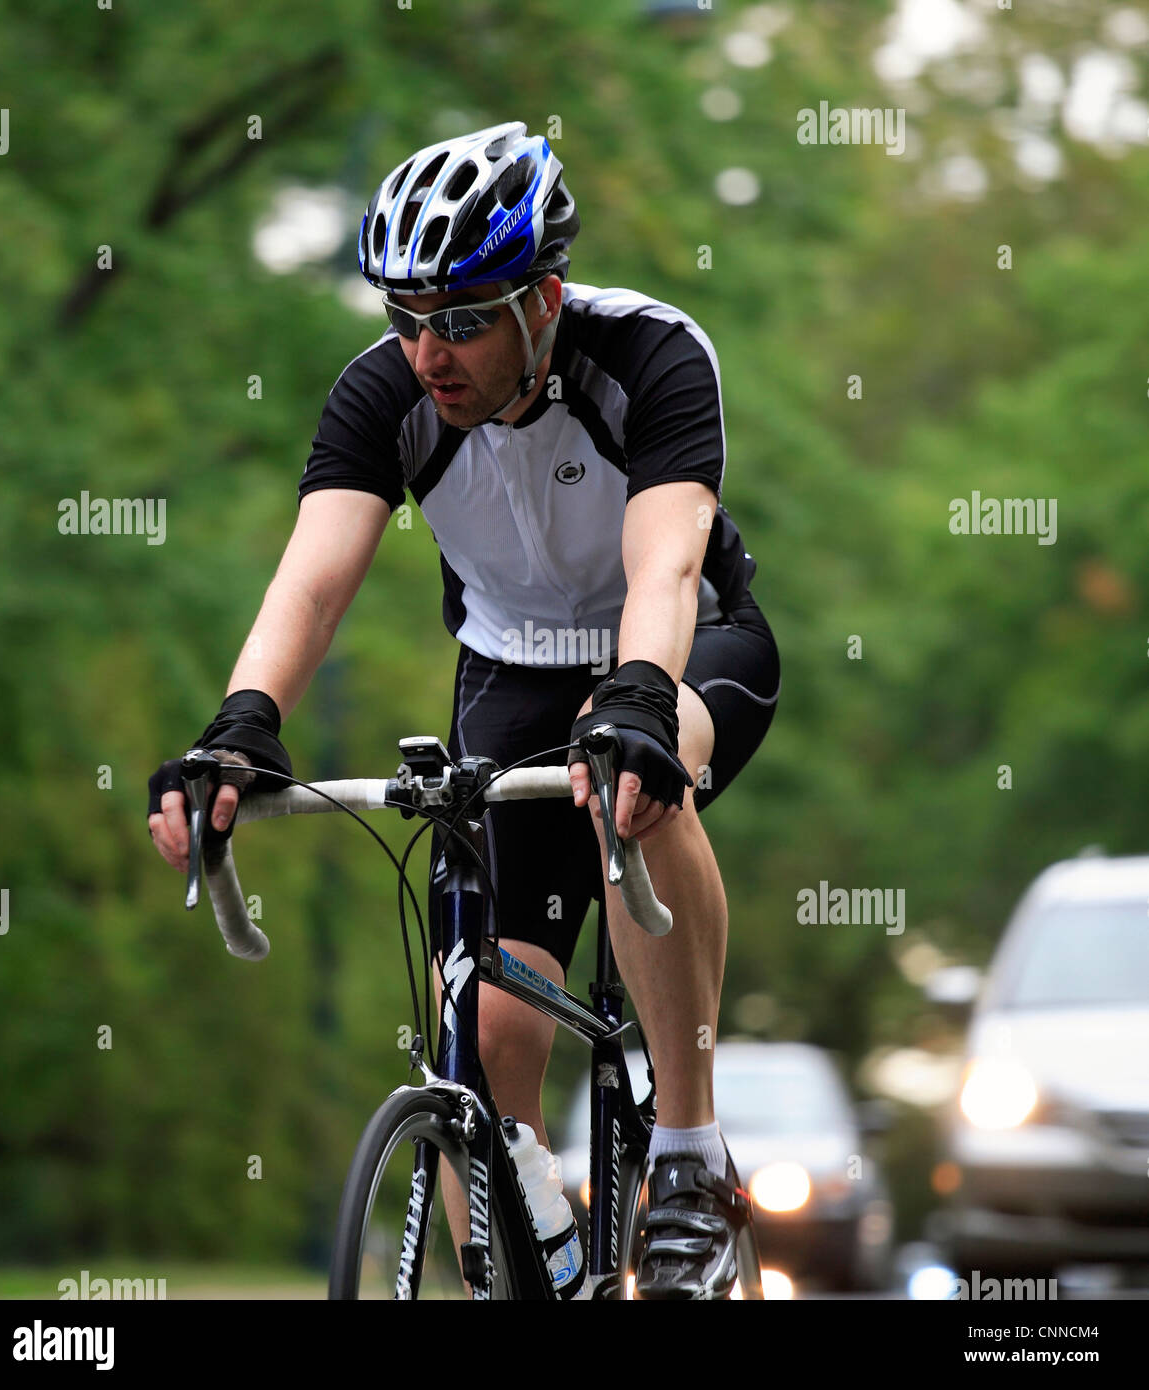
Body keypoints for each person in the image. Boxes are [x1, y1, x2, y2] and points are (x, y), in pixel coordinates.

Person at [148, 121, 779, 1299]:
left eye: (461, 319)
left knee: (636, 784)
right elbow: (315, 578)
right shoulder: (384, 393)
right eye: (405, 316)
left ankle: (687, 1162)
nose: (427, 351)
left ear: (543, 298)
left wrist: (637, 695)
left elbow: (664, 567)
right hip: (509, 671)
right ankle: (527, 1268)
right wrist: (240, 724)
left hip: (681, 643)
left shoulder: (648, 355)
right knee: (482, 1050)